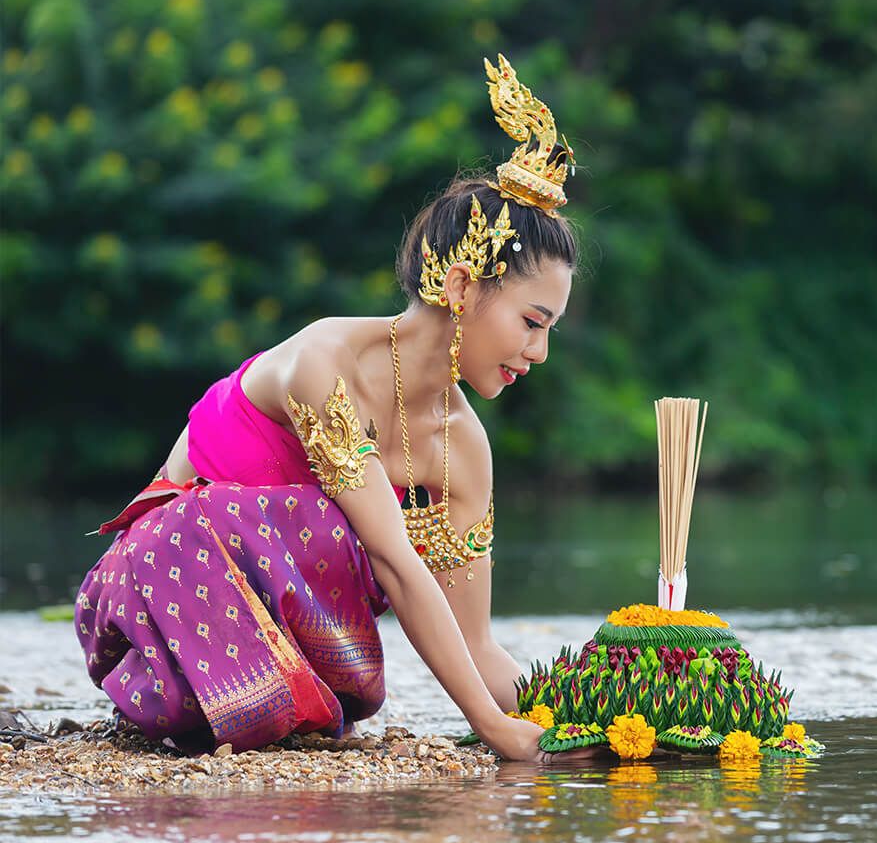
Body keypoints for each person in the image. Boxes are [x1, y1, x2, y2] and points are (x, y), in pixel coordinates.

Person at [74, 53, 577, 762]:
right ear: (463, 286)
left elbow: (479, 645)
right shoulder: (325, 365)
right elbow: (397, 565)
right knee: (326, 528)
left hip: (294, 647)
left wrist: (589, 721)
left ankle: (282, 712)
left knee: (340, 538)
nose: (540, 351)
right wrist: (493, 732)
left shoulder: (464, 447)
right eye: (532, 321)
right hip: (159, 611)